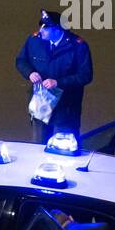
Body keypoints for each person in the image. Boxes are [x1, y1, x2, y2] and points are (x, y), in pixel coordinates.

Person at [15, 9, 93, 143]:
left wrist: (58, 82)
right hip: (41, 104)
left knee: (62, 148)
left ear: (57, 29)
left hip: (66, 108)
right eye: (41, 26)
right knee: (38, 145)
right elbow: (21, 60)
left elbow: (86, 75)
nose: (41, 30)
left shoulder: (78, 46)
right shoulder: (34, 41)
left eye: (46, 27)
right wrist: (30, 73)